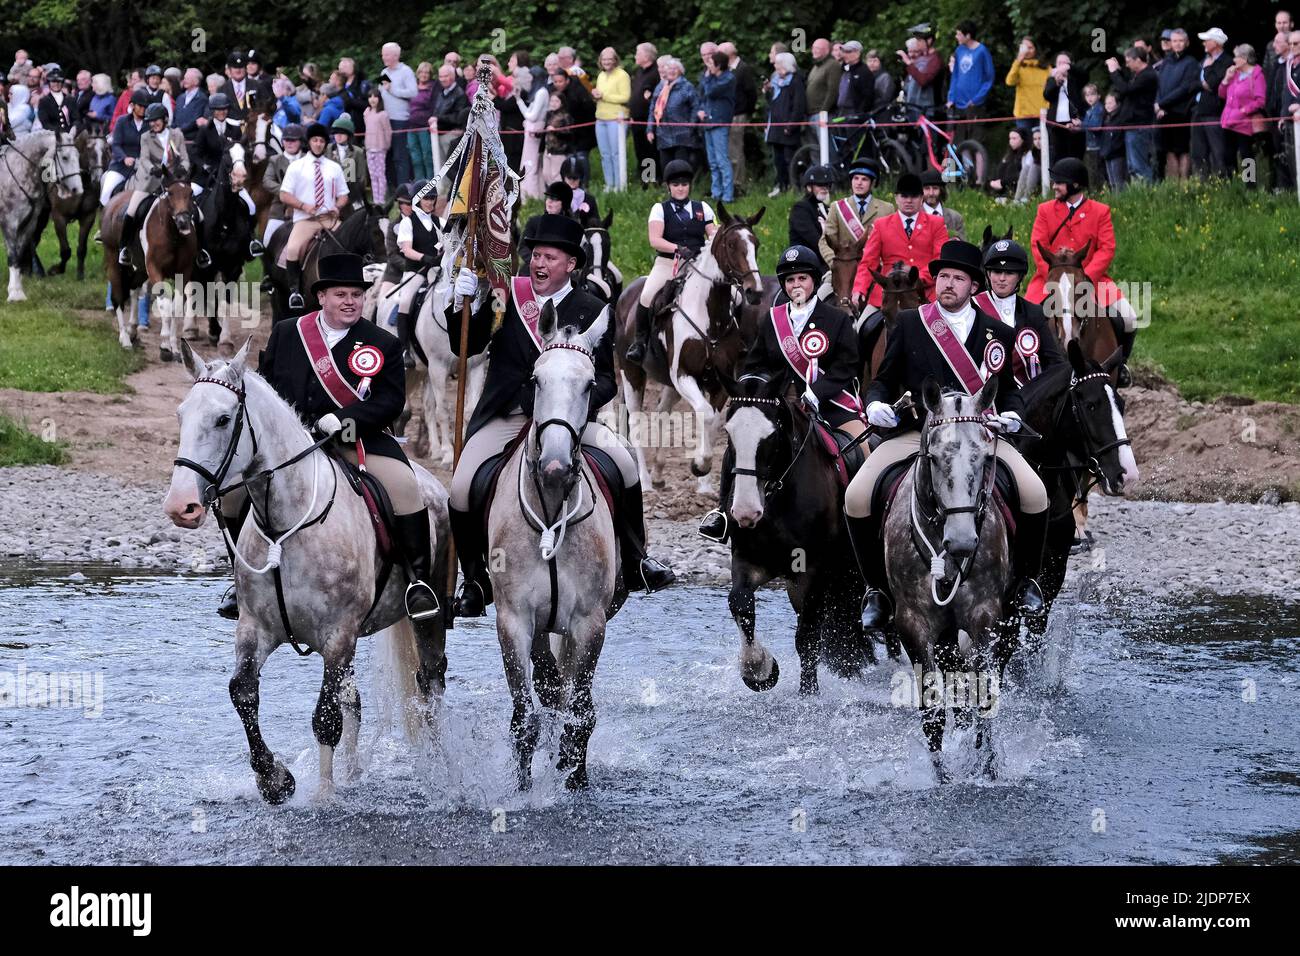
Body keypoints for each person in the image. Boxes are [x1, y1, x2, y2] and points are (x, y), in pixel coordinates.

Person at [445, 214, 676, 615]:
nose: (539, 263)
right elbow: (464, 346)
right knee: (461, 486)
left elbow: (607, 380)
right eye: (535, 255)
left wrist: (577, 406)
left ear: (570, 264)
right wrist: (466, 302)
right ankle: (476, 582)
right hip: (509, 415)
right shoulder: (506, 296)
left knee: (625, 464)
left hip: (569, 423)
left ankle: (638, 560)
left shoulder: (591, 308)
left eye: (549, 257)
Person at [216, 253, 441, 625]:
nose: (350, 301)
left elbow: (390, 401)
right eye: (341, 294)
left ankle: (417, 584)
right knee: (233, 494)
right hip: (289, 448)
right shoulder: (289, 332)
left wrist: (346, 418)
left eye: (356, 294)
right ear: (322, 297)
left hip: (358, 441)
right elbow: (265, 387)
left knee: (405, 489)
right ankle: (241, 579)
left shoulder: (382, 342)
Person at [844, 239, 1051, 627]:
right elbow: (882, 381)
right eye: (942, 277)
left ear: (975, 286)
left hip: (978, 436)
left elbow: (1008, 391)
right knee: (856, 497)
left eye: (958, 278)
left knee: (1036, 493)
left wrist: (1010, 416)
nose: (949, 285)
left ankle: (1026, 582)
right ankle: (876, 591)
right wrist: (874, 406)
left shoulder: (998, 333)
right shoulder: (909, 323)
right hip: (917, 434)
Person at [698, 244, 865, 542]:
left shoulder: (837, 319)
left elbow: (848, 366)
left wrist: (817, 393)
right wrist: (751, 386)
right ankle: (723, 512)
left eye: (801, 279)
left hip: (831, 406)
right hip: (780, 408)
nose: (796, 285)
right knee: (738, 445)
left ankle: (862, 523)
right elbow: (756, 362)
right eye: (790, 280)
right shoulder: (773, 319)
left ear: (813, 281)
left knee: (860, 451)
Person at [1025, 157, 1137, 381]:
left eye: (1059, 182)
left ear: (1074, 185)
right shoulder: (1045, 211)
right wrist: (1053, 274)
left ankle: (1120, 366)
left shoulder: (1100, 211)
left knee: (1129, 317)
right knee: (1025, 321)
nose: (1054, 186)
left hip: (1091, 279)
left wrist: (1085, 277)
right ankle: (1027, 368)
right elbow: (1037, 246)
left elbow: (1106, 248)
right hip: (1051, 279)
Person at [625, 159, 717, 365]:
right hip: (668, 263)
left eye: (684, 184)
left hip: (699, 265)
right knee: (648, 294)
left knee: (733, 293)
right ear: (669, 187)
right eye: (676, 185)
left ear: (689, 186)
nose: (680, 188)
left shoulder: (703, 208)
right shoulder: (660, 209)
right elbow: (654, 239)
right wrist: (677, 248)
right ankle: (640, 342)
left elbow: (712, 234)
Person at [851, 171, 947, 311]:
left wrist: (917, 278)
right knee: (862, 326)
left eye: (913, 196)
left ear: (921, 199)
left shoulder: (936, 223)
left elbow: (939, 259)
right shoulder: (881, 224)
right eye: (904, 196)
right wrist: (859, 288)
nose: (908, 200)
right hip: (887, 294)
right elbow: (868, 262)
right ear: (896, 198)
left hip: (926, 293)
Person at [975, 239, 1066, 384]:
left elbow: (1054, 362)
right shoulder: (974, 307)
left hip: (1026, 397)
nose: (1002, 279)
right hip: (983, 394)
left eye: (1009, 273)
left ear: (1020, 277)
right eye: (997, 272)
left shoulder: (1034, 312)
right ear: (988, 274)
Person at [281, 122, 350, 310]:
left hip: (329, 218)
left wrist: (337, 206)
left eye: (321, 141)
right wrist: (303, 205)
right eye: (315, 140)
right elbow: (284, 194)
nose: (318, 144)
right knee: (293, 249)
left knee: (350, 244)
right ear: (309, 142)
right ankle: (295, 292)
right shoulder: (297, 166)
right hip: (306, 219)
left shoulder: (334, 167)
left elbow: (344, 194)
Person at [117, 102, 194, 267]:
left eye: (156, 120)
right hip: (151, 181)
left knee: (198, 212)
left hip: (174, 181)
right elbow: (143, 158)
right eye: (150, 121)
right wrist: (153, 169)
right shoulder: (146, 137)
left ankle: (201, 250)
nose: (153, 123)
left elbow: (185, 158)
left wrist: (183, 169)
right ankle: (124, 248)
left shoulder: (177, 134)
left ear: (165, 119)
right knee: (131, 211)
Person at [818, 161, 893, 300]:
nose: (859, 183)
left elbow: (891, 242)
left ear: (872, 183)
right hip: (842, 269)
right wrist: (835, 264)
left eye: (864, 179)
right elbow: (824, 241)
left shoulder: (887, 208)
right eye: (855, 178)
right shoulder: (837, 207)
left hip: (874, 270)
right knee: (820, 298)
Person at [1107, 47, 1157, 183]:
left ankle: (1148, 194)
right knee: (1133, 166)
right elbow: (1127, 88)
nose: (1127, 64)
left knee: (1139, 165)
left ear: (1138, 60)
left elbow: (1126, 90)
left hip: (1139, 126)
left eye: (1129, 61)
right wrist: (1118, 71)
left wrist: (1113, 73)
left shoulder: (1148, 75)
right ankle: (1139, 196)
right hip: (1132, 126)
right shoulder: (1138, 75)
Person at [1154, 29, 1199, 181]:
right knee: (1169, 151)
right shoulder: (1166, 61)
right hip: (1164, 113)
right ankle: (1173, 186)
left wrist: (1162, 104)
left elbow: (1185, 89)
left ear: (1186, 42)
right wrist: (1158, 105)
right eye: (1174, 41)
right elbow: (1159, 85)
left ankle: (1185, 184)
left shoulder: (1191, 63)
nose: (1178, 44)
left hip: (1181, 113)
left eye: (1180, 41)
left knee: (1182, 150)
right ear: (1171, 43)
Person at [1218, 44, 1267, 179]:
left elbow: (1260, 101)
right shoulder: (1234, 74)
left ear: (1244, 59)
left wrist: (1244, 110)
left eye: (1236, 57)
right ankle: (1231, 185)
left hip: (1244, 123)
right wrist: (1226, 79)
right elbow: (1222, 94)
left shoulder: (1257, 75)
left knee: (1247, 156)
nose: (1234, 60)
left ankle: (1250, 185)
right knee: (1227, 155)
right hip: (1228, 122)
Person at [945, 20, 994, 151]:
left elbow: (989, 78)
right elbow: (955, 76)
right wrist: (951, 98)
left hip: (974, 104)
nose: (956, 37)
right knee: (959, 142)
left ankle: (979, 171)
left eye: (959, 34)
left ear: (968, 35)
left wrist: (977, 99)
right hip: (958, 103)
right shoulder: (959, 50)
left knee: (976, 142)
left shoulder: (982, 51)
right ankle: (962, 170)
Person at [1191, 28, 1232, 177]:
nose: (1203, 44)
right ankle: (1203, 185)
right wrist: (1203, 83)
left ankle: (1223, 184)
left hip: (1214, 112)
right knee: (1198, 152)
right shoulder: (1204, 60)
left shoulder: (1226, 61)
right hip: (1198, 110)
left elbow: (1212, 83)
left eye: (1206, 40)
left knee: (1218, 152)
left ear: (1215, 43)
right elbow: (1193, 83)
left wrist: (1207, 69)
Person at [764, 51, 806, 196]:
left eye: (777, 63)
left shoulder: (795, 81)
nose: (774, 66)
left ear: (784, 65)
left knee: (791, 160)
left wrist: (791, 125)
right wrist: (767, 91)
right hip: (776, 129)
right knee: (778, 161)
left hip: (788, 129)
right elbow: (771, 103)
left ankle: (795, 188)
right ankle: (781, 186)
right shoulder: (775, 80)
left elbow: (798, 106)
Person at [645, 57, 698, 171]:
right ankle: (669, 189)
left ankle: (683, 188)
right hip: (663, 135)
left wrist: (691, 125)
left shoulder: (687, 86)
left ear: (680, 71)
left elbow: (695, 106)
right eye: (669, 68)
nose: (671, 71)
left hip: (682, 135)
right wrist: (650, 130)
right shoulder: (660, 87)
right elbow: (652, 109)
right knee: (666, 168)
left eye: (675, 68)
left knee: (681, 168)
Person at [697, 50, 736, 203]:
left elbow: (711, 92)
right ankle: (716, 193)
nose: (708, 67)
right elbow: (703, 95)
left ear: (719, 65)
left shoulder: (728, 79)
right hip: (708, 122)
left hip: (720, 122)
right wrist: (701, 110)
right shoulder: (712, 77)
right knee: (712, 161)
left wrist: (707, 77)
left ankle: (727, 195)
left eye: (711, 64)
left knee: (722, 160)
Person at [718, 42, 757, 193]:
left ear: (729, 54)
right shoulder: (727, 69)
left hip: (738, 115)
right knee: (728, 150)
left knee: (735, 150)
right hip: (728, 115)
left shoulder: (742, 69)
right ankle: (729, 183)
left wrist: (746, 113)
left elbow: (751, 93)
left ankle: (738, 184)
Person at [101, 88, 150, 206]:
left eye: (145, 107)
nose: (143, 109)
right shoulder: (122, 121)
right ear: (132, 105)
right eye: (140, 106)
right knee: (107, 190)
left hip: (142, 167)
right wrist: (124, 158)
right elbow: (116, 144)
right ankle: (104, 215)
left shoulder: (149, 124)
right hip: (120, 166)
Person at [378, 42, 418, 188]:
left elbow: (413, 92)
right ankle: (391, 187)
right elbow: (381, 93)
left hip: (400, 119)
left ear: (396, 55)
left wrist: (393, 90)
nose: (383, 57)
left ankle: (404, 188)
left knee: (400, 155)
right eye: (383, 54)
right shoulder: (384, 73)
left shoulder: (406, 71)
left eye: (386, 54)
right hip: (384, 119)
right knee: (387, 155)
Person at [593, 47, 631, 190]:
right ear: (600, 61)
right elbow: (600, 96)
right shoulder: (601, 76)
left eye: (610, 59)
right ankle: (609, 184)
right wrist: (596, 96)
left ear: (615, 60)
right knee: (605, 154)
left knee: (616, 153)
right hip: (600, 118)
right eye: (604, 59)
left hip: (616, 119)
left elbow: (625, 97)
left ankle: (620, 185)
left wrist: (603, 96)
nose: (607, 62)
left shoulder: (622, 75)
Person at [189, 92, 242, 191]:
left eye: (224, 109)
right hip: (208, 175)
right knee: (193, 192)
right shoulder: (204, 130)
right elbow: (195, 154)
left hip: (230, 175)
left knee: (250, 204)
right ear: (212, 111)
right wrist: (204, 165)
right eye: (218, 109)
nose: (221, 112)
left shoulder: (235, 130)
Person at [261, 122, 303, 247]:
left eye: (293, 140)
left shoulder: (307, 159)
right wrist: (285, 191)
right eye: (286, 140)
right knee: (267, 242)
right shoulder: (275, 160)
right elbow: (267, 181)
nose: (289, 143)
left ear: (300, 141)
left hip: (304, 207)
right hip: (279, 208)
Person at [1043, 52, 1088, 161]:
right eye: (1059, 63)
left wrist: (1069, 68)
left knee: (1075, 154)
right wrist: (1056, 83)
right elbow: (1047, 96)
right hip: (1056, 123)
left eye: (1065, 63)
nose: (1062, 65)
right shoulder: (1051, 79)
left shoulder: (1076, 79)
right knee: (1058, 155)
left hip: (1074, 121)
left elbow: (1085, 76)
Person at [628, 43, 660, 188]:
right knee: (640, 150)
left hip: (648, 120)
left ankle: (652, 178)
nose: (635, 56)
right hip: (636, 119)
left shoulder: (655, 73)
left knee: (650, 150)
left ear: (646, 56)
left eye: (637, 53)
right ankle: (644, 178)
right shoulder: (640, 72)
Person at [789, 165, 832, 270]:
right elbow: (815, 241)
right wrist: (833, 257)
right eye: (819, 185)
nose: (824, 188)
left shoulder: (827, 208)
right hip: (805, 264)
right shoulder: (801, 208)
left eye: (826, 185)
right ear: (809, 187)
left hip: (824, 261)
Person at [327, 113, 370, 210]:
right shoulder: (327, 150)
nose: (338, 136)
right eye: (336, 132)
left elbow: (361, 177)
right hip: (330, 192)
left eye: (342, 133)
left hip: (351, 193)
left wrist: (354, 193)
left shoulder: (358, 152)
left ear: (349, 134)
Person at [1005, 37, 1049, 133]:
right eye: (1025, 48)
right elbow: (1009, 81)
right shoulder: (1018, 66)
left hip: (1042, 112)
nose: (1027, 51)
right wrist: (1018, 62)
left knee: (1043, 144)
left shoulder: (1046, 67)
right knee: (1024, 143)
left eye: (1030, 48)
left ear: (1036, 49)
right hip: (1023, 114)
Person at [429, 63, 469, 163]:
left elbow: (458, 117)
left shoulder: (460, 94)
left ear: (453, 76)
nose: (442, 79)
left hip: (451, 136)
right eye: (440, 76)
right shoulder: (442, 92)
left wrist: (438, 118)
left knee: (451, 168)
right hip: (438, 134)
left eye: (445, 76)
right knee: (440, 167)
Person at [900, 30, 943, 120]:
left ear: (929, 40)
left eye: (919, 40)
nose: (917, 43)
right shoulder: (921, 57)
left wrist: (908, 63)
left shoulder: (935, 59)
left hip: (927, 109)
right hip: (913, 107)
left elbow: (923, 80)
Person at [407, 61, 436, 181]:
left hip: (425, 126)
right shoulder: (412, 87)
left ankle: (430, 183)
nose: (424, 75)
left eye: (427, 73)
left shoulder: (433, 88)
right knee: (415, 157)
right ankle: (419, 184)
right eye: (422, 72)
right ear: (418, 73)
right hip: (411, 126)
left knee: (427, 156)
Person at [362, 89, 391, 205]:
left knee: (380, 174)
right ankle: (375, 199)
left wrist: (386, 146)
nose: (372, 99)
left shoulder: (383, 114)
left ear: (379, 99)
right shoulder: (367, 113)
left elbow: (388, 131)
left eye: (375, 96)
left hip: (380, 148)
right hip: (369, 148)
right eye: (370, 97)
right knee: (373, 175)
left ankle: (381, 198)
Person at [920, 169, 965, 240]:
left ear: (941, 191)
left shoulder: (956, 218)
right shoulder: (912, 217)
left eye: (935, 188)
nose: (931, 193)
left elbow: (964, 247)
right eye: (927, 189)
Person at [834, 40, 876, 118]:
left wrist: (859, 114)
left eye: (848, 52)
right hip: (841, 112)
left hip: (854, 113)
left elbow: (868, 96)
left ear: (857, 53)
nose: (844, 55)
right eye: (844, 51)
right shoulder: (845, 70)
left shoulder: (864, 72)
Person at [988, 127, 1031, 199]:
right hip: (1003, 186)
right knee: (1004, 164)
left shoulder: (1027, 154)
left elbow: (1022, 175)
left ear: (1023, 139)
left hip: (1016, 187)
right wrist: (994, 181)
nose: (1011, 141)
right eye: (1010, 138)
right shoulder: (1009, 154)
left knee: (1012, 166)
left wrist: (1002, 182)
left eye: (1014, 138)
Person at [36, 67, 79, 134]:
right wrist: (59, 133)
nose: (56, 84)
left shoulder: (70, 100)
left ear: (62, 83)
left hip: (70, 135)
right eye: (53, 81)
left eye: (59, 81)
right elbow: (45, 123)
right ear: (49, 83)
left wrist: (73, 129)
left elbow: (76, 118)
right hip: (53, 135)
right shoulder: (44, 101)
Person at [172, 68, 207, 147]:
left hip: (191, 141)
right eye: (184, 78)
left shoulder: (202, 98)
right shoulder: (180, 97)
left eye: (187, 78)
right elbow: (175, 117)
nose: (184, 80)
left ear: (196, 81)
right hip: (176, 138)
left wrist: (179, 130)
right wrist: (173, 130)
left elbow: (195, 120)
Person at [805, 37, 839, 118]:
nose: (813, 50)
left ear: (827, 50)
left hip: (822, 115)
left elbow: (833, 91)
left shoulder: (833, 65)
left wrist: (823, 112)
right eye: (813, 48)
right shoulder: (816, 66)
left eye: (817, 48)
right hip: (811, 114)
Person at [1099, 92, 1128, 189]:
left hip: (1117, 154)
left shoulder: (1120, 118)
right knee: (1112, 182)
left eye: (1110, 103)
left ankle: (1121, 201)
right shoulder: (1105, 118)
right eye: (1106, 103)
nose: (1107, 105)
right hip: (1107, 153)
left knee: (1118, 181)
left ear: (1117, 103)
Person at [560, 154, 599, 221]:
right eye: (569, 178)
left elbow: (596, 224)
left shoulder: (589, 200)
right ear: (563, 177)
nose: (572, 181)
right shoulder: (556, 198)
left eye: (575, 178)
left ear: (580, 178)